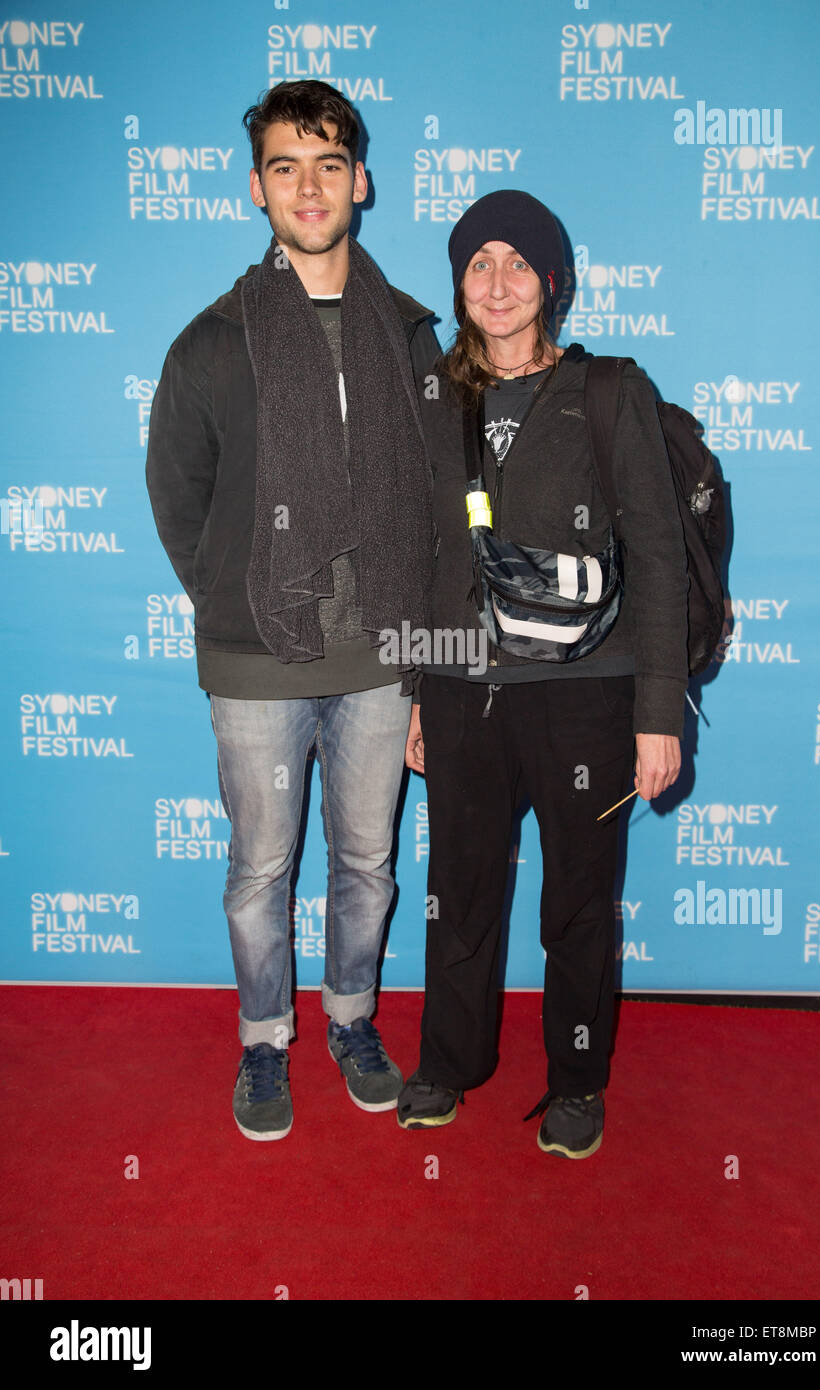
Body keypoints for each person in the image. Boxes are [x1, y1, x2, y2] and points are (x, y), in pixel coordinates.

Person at [146, 80, 437, 1141]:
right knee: (259, 868)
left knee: (368, 861)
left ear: (358, 180)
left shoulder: (410, 336)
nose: (307, 186)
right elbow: (178, 494)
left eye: (326, 163)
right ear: (257, 189)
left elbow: (438, 508)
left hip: (379, 659)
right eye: (284, 166)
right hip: (257, 658)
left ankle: (351, 1021)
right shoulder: (214, 342)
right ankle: (265, 1041)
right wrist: (233, 599)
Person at [397, 190, 687, 1158]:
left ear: (552, 281)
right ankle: (446, 1061)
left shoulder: (608, 390)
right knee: (460, 889)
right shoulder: (435, 398)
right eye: (477, 263)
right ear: (458, 284)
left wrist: (658, 712)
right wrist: (416, 692)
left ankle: (573, 1080)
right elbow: (427, 557)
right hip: (464, 693)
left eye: (517, 262)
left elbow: (653, 548)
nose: (496, 282)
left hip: (587, 696)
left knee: (576, 898)